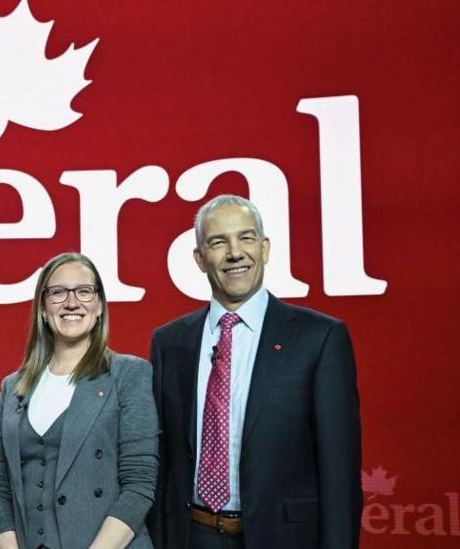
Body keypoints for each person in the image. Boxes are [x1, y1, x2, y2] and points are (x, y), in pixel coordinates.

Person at [148, 194, 362, 549]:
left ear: (264, 249)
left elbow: (339, 474)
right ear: (200, 259)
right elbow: (162, 460)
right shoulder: (169, 343)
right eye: (219, 242)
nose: (235, 253)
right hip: (191, 536)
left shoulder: (319, 338)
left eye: (246, 238)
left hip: (284, 538)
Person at [0, 253, 159, 549]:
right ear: (43, 308)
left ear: (100, 307)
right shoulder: (13, 387)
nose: (71, 303)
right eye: (58, 293)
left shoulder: (129, 375)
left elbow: (139, 484)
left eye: (84, 291)